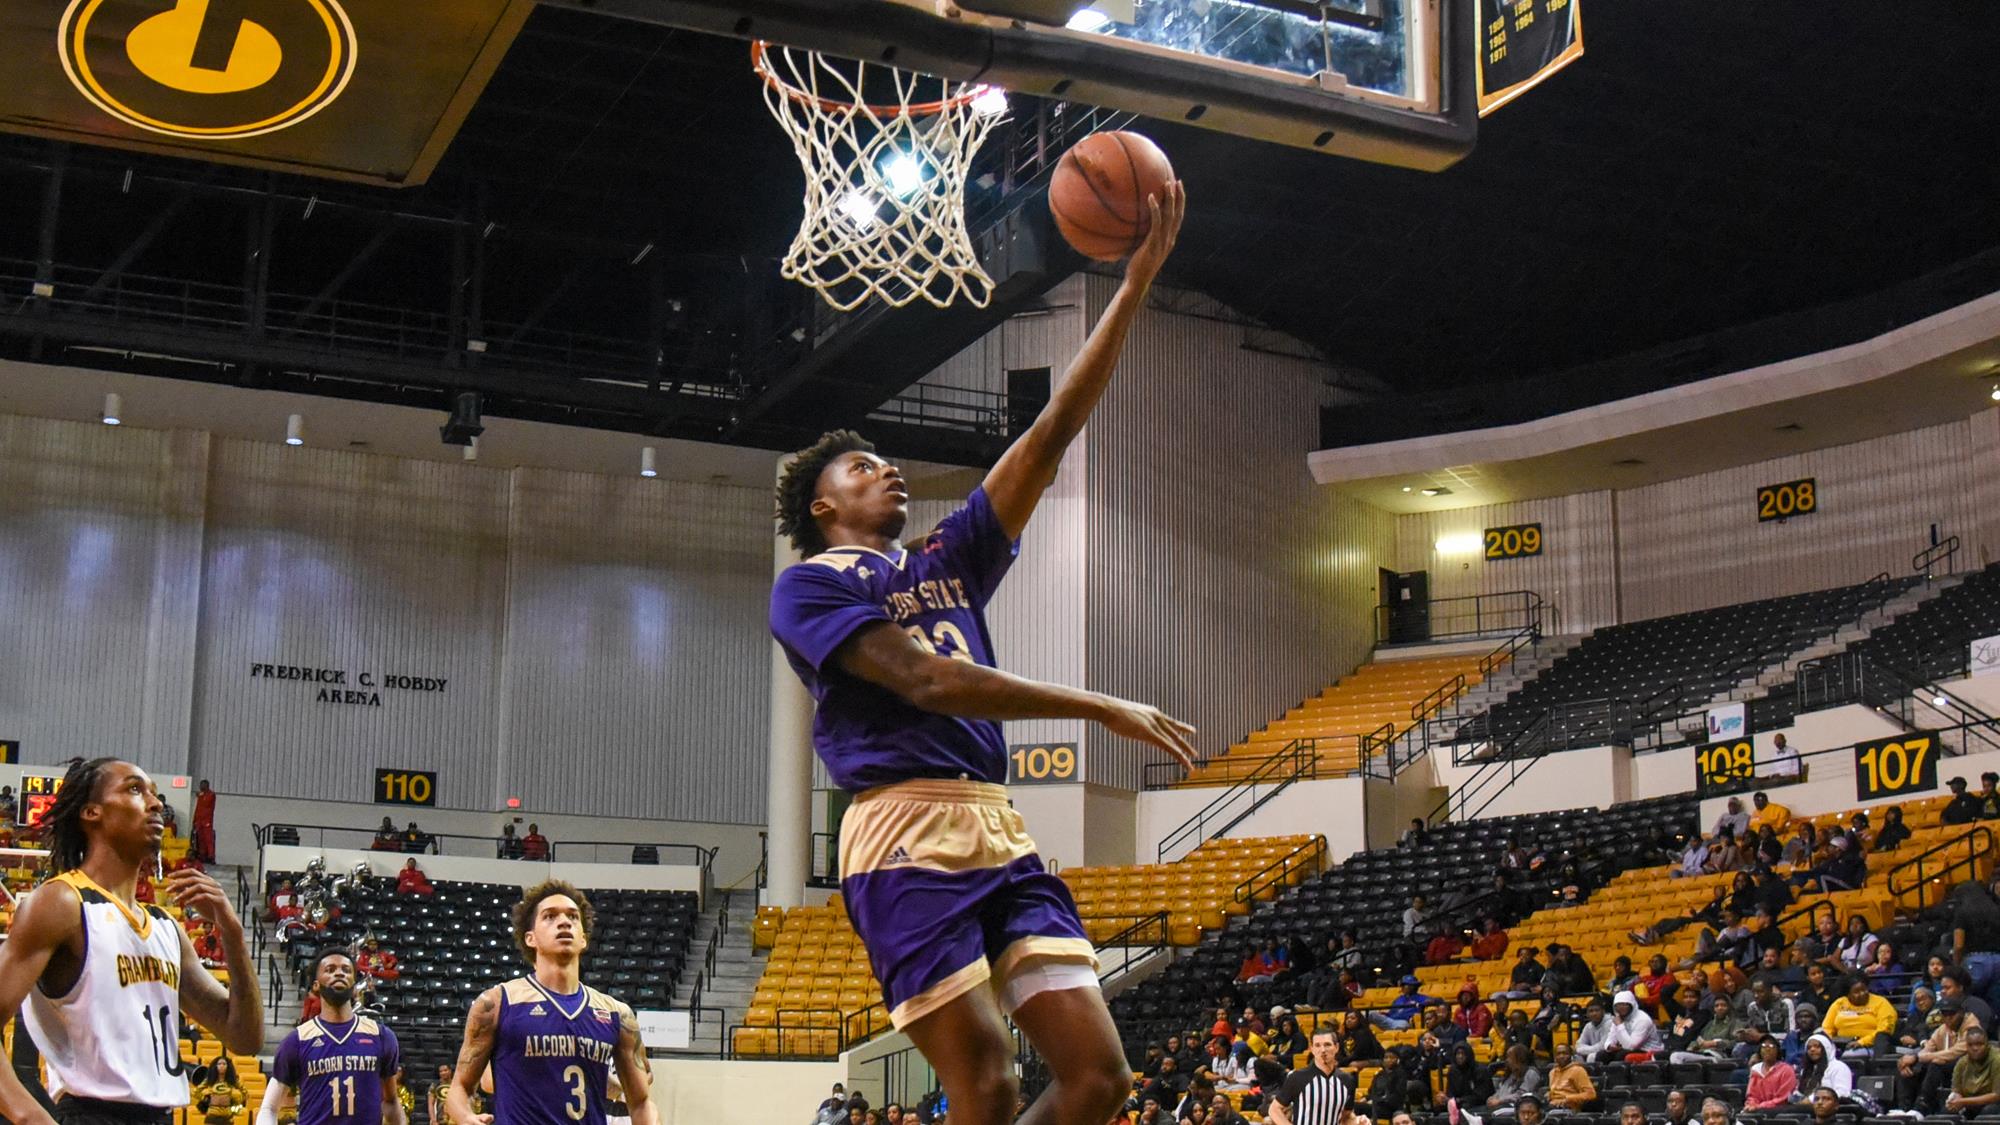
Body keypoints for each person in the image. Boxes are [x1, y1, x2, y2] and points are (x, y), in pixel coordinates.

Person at [766, 183, 1188, 1125]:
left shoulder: (946, 559)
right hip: (904, 829)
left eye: (887, 460)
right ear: (824, 508)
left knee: (1099, 1078)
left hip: (998, 824)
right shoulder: (811, 586)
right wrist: (1097, 704)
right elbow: (928, 679)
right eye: (861, 466)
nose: (888, 468)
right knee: (987, 1085)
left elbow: (1051, 435)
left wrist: (1135, 284)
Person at [0, 757, 262, 1125]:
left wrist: (232, 931)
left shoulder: (165, 926)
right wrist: (29, 1116)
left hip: (160, 1115)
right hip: (91, 1113)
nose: (156, 803)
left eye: (155, 794)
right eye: (135, 789)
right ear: (92, 813)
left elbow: (245, 1038)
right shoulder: (62, 902)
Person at [445, 880, 658, 1125]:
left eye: (573, 917)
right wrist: (465, 1117)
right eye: (550, 916)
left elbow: (641, 1101)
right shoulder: (496, 1003)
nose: (565, 921)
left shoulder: (617, 1014)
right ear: (530, 938)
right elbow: (459, 1086)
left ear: (584, 939)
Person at [260, 949, 406, 1125]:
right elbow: (269, 1108)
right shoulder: (297, 1040)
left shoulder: (381, 1036)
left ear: (353, 984)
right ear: (316, 985)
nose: (339, 973)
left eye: (346, 970)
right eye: (330, 969)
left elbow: (390, 1101)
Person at [1897, 996, 1980, 1114]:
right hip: (1947, 1066)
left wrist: (1917, 1057)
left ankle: (1921, 1107)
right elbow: (1929, 1047)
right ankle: (1903, 1109)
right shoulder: (1943, 1028)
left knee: (1936, 1063)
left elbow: (1955, 1052)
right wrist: (1913, 1059)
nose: (1948, 1018)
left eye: (1952, 1014)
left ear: (1962, 1012)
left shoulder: (1973, 1027)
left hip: (1969, 1067)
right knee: (1907, 1065)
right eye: (1944, 1014)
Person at [1264, 1027, 1353, 1125]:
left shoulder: (1347, 1080)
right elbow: (1274, 1109)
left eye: (1327, 1045)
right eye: (1317, 1045)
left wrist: (1357, 1121)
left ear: (1337, 1047)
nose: (1323, 1050)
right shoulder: (1297, 1077)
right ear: (1312, 1049)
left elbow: (1347, 1116)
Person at [1671, 995, 1744, 1065]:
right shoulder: (1710, 1024)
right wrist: (1692, 1046)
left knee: (1677, 1056)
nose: (1720, 1008)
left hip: (1719, 1055)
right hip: (1703, 1053)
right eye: (1717, 1006)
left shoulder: (1735, 1023)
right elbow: (1699, 1039)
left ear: (1729, 1007)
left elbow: (1737, 1043)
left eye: (1723, 1005)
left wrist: (1716, 1043)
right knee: (1675, 1056)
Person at [1948, 1026, 2000, 1118]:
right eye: (1970, 1045)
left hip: (1994, 1105)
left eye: (1979, 1044)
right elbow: (1956, 1090)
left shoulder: (1997, 1059)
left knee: (1989, 1111)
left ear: (1987, 1044)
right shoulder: (1962, 1063)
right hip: (1969, 1105)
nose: (1975, 1048)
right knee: (1948, 1112)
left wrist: (1963, 1101)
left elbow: (1996, 1096)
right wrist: (1955, 1099)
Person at [1744, 1038, 1798, 1112]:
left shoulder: (1786, 1070)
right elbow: (1752, 1095)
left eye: (1771, 1046)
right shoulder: (1755, 1069)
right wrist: (1752, 1105)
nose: (1767, 1049)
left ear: (1777, 1051)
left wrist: (1760, 1106)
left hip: (1779, 1110)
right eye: (1763, 1046)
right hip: (1757, 1108)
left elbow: (1783, 1098)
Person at [1794, 1034, 1852, 1102]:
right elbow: (1800, 1093)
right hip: (1804, 1107)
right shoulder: (1806, 1070)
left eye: (1817, 1046)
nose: (1812, 1049)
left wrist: (1811, 1100)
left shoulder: (1839, 1067)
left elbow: (1842, 1093)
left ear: (1826, 1049)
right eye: (1809, 1048)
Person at [1606, 990, 1663, 1059]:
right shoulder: (1618, 1018)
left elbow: (1631, 1046)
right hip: (1627, 1048)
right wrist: (1610, 1046)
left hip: (1648, 1050)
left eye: (1624, 1004)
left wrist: (1620, 1026)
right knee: (1602, 1055)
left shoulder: (1643, 1019)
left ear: (1632, 1005)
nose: (1621, 1008)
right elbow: (1610, 1038)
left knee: (1621, 1055)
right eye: (1618, 1005)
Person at [1486, 1046, 1540, 1116]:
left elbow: (1522, 1095)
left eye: (1510, 1057)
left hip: (1517, 1108)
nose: (1507, 1060)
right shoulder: (1512, 1074)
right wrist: (1493, 1098)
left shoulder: (1531, 1073)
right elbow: (1501, 1091)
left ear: (1520, 1058)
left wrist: (1500, 1101)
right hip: (1501, 1106)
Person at [1370, 977, 1439, 1031]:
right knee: (1369, 1014)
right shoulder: (1399, 999)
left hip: (1404, 1022)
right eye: (1402, 985)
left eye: (1404, 985)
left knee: (1402, 1025)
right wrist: (1384, 1014)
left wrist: (1425, 1003)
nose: (1402, 987)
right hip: (1390, 1021)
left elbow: (1436, 1000)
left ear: (1413, 986)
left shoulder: (1420, 997)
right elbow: (1391, 1013)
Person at [1543, 1044, 1594, 1113]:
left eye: (1565, 1053)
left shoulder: (1578, 1070)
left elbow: (1590, 1094)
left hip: (1569, 1109)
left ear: (1571, 1056)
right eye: (1558, 1054)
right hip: (1552, 1105)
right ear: (1555, 1057)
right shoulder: (1552, 1072)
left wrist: (1568, 1098)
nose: (1561, 1056)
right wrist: (1549, 1094)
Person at [199, 1058, 246, 1125]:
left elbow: (245, 1093)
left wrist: (235, 1105)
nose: (222, 1066)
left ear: (228, 1066)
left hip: (227, 1116)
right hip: (212, 1116)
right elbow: (195, 1092)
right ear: (215, 1066)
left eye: (224, 1064)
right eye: (219, 1064)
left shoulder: (234, 1081)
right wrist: (206, 1099)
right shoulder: (209, 1080)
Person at [1573, 999, 1618, 1063]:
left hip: (1610, 1053)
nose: (1594, 1013)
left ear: (1603, 1011)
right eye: (1591, 1011)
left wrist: (1581, 1050)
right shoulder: (1588, 1026)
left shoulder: (1610, 1023)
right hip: (1595, 1052)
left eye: (1597, 1010)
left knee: (1592, 1056)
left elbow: (1603, 1046)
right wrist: (1580, 1050)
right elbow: (1579, 1044)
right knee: (1575, 1057)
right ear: (1587, 1014)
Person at [192, 779, 218, 864]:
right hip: (199, 821)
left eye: (202, 785)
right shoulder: (201, 796)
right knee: (200, 839)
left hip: (207, 821)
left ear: (207, 785)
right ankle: (202, 856)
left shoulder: (211, 794)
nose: (200, 787)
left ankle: (211, 856)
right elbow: (197, 808)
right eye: (200, 785)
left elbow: (207, 803)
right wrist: (194, 820)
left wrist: (201, 795)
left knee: (208, 840)